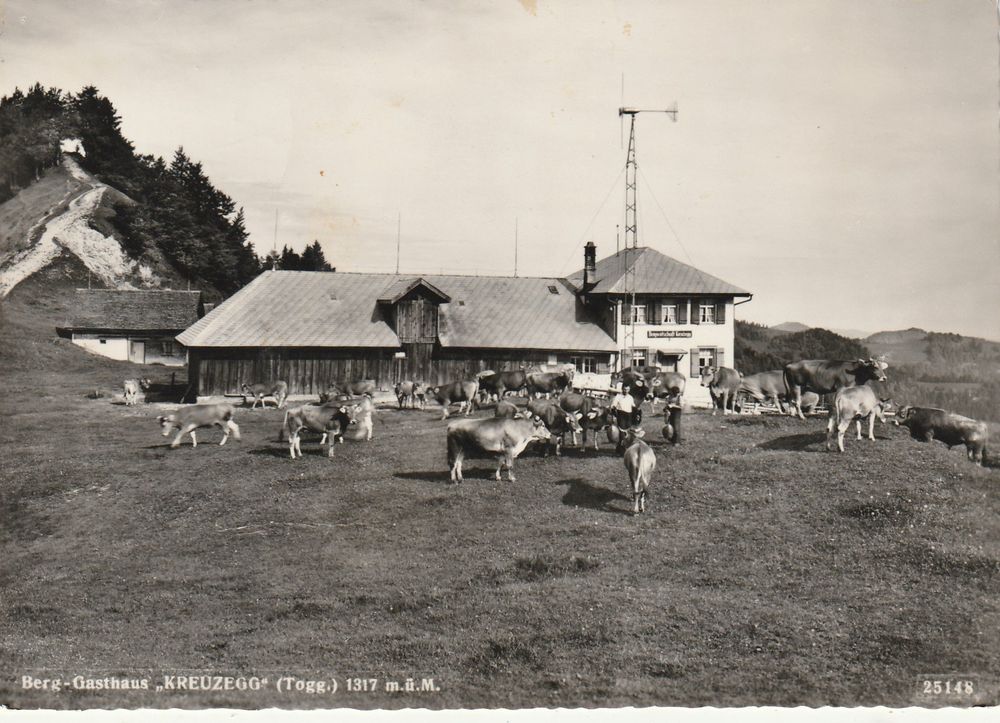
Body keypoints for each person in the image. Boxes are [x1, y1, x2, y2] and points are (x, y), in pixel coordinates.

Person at [610, 385, 636, 453]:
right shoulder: (618, 396)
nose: (626, 391)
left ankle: (620, 448)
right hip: (621, 415)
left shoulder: (630, 397)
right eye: (624, 389)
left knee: (628, 432)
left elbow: (633, 406)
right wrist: (614, 413)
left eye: (627, 389)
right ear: (622, 389)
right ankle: (623, 449)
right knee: (622, 432)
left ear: (629, 390)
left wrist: (636, 411)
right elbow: (613, 405)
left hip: (629, 415)